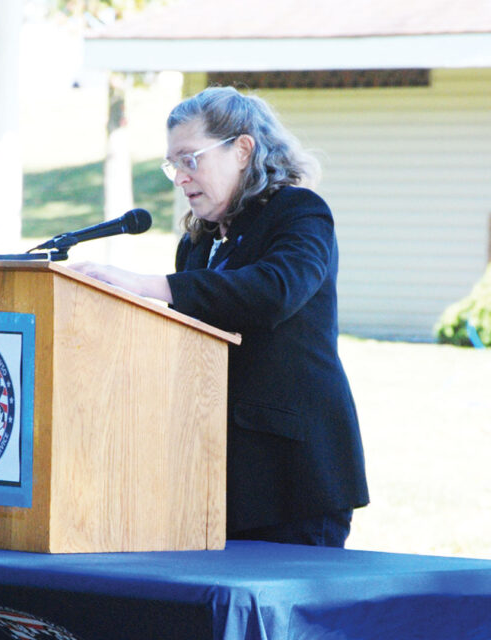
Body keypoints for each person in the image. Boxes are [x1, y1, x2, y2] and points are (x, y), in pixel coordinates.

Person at [70, 86, 368, 547]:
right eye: (173, 165)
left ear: (243, 150)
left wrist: (151, 285)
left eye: (191, 159)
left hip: (293, 477)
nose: (181, 178)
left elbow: (274, 292)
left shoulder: (300, 212)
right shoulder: (198, 242)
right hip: (210, 475)